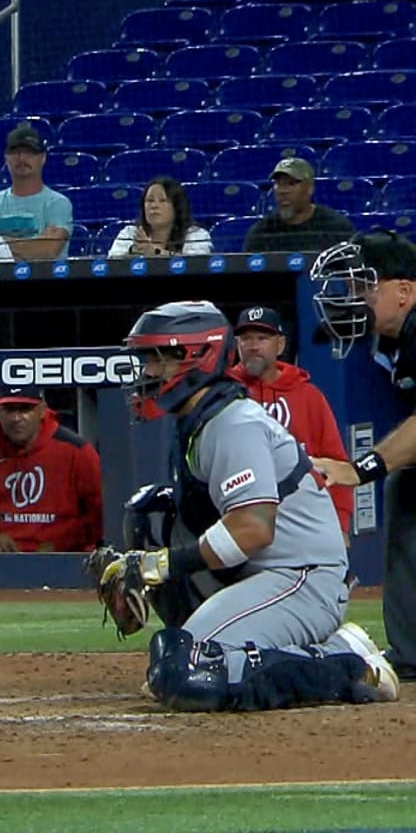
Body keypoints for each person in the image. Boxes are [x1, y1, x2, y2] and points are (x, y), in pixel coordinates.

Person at [94, 300, 397, 711]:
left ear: (194, 356)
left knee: (191, 672)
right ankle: (211, 647)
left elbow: (253, 529)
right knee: (153, 512)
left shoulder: (233, 424)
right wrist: (147, 569)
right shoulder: (199, 419)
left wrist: (154, 566)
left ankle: (345, 660)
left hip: (302, 576)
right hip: (260, 571)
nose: (146, 373)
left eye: (157, 360)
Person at [308, 230, 416, 681]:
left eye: (364, 286)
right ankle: (410, 652)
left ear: (405, 291)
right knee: (407, 487)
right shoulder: (394, 340)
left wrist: (359, 469)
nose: (355, 298)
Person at [226, 305, 352, 535]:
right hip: (242, 523)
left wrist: (340, 526)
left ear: (280, 345)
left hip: (305, 523)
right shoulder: (223, 395)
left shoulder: (308, 396)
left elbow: (336, 464)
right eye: (246, 339)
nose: (253, 346)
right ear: (237, 345)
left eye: (262, 338)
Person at [0, 386, 103, 552]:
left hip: (67, 559)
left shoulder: (77, 451)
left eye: (26, 409)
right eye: (9, 410)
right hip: (2, 563)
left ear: (42, 410)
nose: (17, 418)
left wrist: (61, 544)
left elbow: (102, 512)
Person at [0, 124, 73, 260]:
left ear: (42, 158)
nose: (22, 158)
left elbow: (48, 251)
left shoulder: (58, 203)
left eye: (29, 152)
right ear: (6, 158)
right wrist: (36, 243)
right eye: (15, 152)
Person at [244, 158, 356, 256]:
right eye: (279, 184)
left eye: (291, 184)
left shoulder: (335, 226)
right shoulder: (262, 232)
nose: (283, 191)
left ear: (310, 188)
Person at [107, 176, 213, 258]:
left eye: (162, 200)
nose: (154, 206)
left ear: (177, 207)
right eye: (149, 201)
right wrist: (132, 252)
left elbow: (196, 265)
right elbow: (111, 264)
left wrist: (155, 253)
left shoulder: (196, 235)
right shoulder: (130, 233)